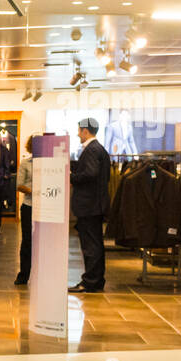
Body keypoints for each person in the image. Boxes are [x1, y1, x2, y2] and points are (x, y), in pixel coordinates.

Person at [70, 117, 112, 293]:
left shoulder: (92, 150)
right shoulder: (97, 149)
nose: (78, 134)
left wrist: (71, 177)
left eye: (79, 131)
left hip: (90, 206)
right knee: (94, 244)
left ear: (85, 131)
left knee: (91, 245)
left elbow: (90, 173)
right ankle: (95, 279)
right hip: (94, 205)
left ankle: (91, 281)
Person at [15, 135, 35, 286]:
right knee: (27, 241)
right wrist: (35, 192)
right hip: (29, 206)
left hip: (47, 208)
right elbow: (19, 185)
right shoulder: (26, 163)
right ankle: (23, 275)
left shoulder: (51, 164)